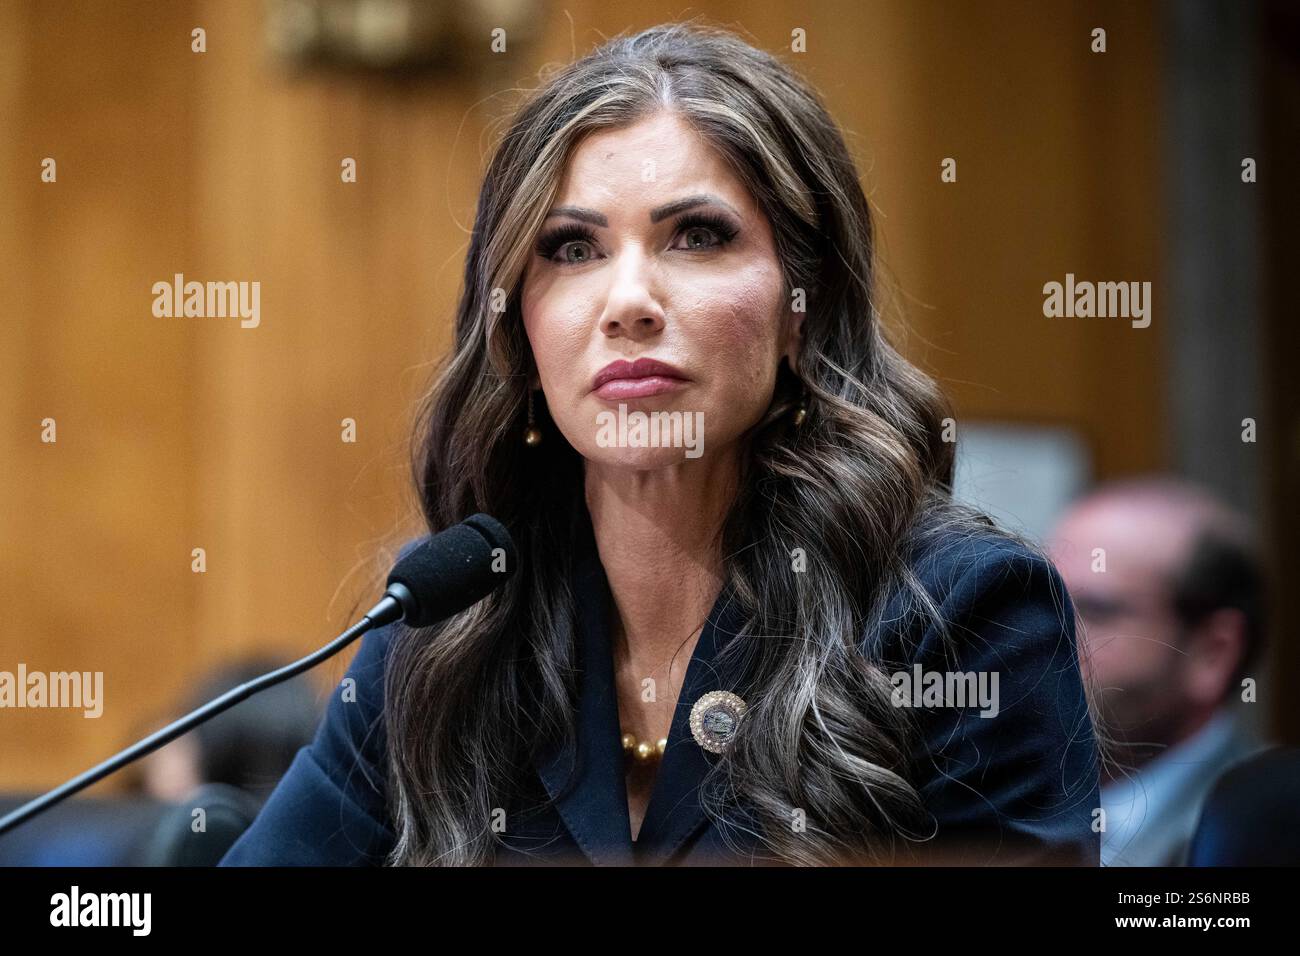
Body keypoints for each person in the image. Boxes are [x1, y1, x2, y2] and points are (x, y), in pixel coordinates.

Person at [221, 22, 1099, 867]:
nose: (627, 300)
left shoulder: (961, 615)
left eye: (698, 236)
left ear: (806, 308)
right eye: (571, 248)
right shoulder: (446, 625)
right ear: (517, 328)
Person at [1046, 476, 1269, 866]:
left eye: (1094, 611)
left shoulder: (1268, 834)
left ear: (1212, 652)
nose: (1044, 636)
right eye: (1044, 602)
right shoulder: (984, 796)